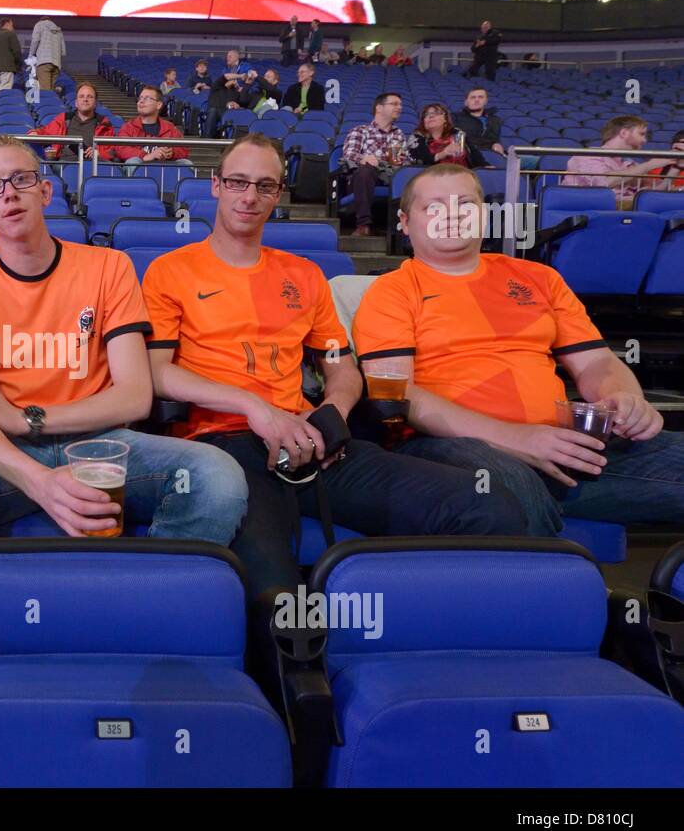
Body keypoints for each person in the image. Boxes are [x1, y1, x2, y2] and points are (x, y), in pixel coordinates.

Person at [144, 135, 527, 603]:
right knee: (276, 596)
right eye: (238, 182)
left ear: (279, 192)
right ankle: (296, 671)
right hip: (225, 445)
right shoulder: (169, 270)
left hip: (311, 440)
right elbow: (159, 372)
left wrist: (333, 412)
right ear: (216, 186)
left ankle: (413, 636)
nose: (250, 197)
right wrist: (252, 406)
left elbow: (343, 369)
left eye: (265, 186)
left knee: (488, 506)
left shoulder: (303, 275)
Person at [0, 136, 249, 581]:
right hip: (1, 451)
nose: (8, 193)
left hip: (100, 443)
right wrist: (39, 481)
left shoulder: (108, 267)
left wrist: (25, 419)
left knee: (218, 477)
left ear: (45, 192)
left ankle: (146, 595)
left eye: (21, 180)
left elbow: (135, 396)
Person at [353, 163, 684, 537]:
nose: (451, 216)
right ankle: (555, 578)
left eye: (464, 204)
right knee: (504, 484)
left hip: (561, 440)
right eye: (433, 207)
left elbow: (595, 360)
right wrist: (516, 439)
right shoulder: (391, 291)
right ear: (404, 221)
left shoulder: (538, 278)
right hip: (448, 446)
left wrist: (624, 396)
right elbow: (394, 394)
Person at [562, 115, 675, 207]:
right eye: (641, 134)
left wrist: (676, 167)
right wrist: (650, 165)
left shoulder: (630, 163)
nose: (644, 140)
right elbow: (604, 182)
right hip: (588, 210)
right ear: (624, 133)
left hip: (626, 212)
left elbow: (658, 190)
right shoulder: (587, 156)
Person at [339, 91, 408, 237]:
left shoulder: (398, 134)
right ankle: (363, 224)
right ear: (379, 108)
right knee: (366, 169)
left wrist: (381, 162)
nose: (399, 107)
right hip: (362, 177)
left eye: (400, 105)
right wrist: (364, 158)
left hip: (387, 176)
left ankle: (403, 229)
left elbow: (395, 162)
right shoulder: (360, 131)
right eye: (394, 104)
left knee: (404, 175)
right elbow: (349, 154)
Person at [27, 81, 116, 162]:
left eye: (90, 97)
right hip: (64, 164)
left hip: (93, 165)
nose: (85, 99)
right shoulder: (64, 119)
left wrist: (99, 153)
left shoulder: (104, 124)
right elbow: (45, 131)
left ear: (95, 103)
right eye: (81, 96)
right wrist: (34, 133)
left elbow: (112, 151)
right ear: (76, 103)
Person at [115, 85, 191, 171]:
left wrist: (172, 152)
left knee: (186, 163)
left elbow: (183, 149)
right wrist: (146, 156)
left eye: (147, 98)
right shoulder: (128, 127)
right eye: (140, 98)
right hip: (142, 166)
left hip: (164, 168)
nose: (141, 101)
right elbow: (121, 149)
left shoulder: (170, 128)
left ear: (159, 105)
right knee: (133, 161)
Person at [406, 103, 485, 169]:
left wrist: (487, 166)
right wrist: (442, 154)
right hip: (431, 178)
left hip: (463, 175)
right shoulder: (417, 137)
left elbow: (476, 156)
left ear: (445, 119)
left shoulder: (458, 133)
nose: (430, 116)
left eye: (436, 113)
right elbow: (418, 161)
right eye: (426, 115)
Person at [203, 49, 251, 138]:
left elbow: (242, 101)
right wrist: (240, 76)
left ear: (236, 57)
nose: (227, 58)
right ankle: (207, 139)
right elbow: (226, 76)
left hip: (228, 110)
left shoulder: (235, 91)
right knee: (213, 111)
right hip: (216, 109)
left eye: (230, 56)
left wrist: (237, 105)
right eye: (227, 56)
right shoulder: (216, 86)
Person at [28, 15, 65, 92]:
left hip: (43, 62)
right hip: (56, 64)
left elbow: (35, 41)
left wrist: (31, 55)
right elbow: (63, 51)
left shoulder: (39, 25)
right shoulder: (58, 30)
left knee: (45, 92)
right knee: (51, 91)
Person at [0, 16, 22, 97]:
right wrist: (18, 65)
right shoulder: (10, 34)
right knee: (4, 94)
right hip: (7, 68)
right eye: (12, 25)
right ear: (7, 24)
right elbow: (16, 51)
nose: (13, 28)